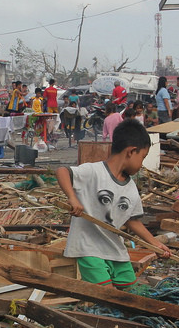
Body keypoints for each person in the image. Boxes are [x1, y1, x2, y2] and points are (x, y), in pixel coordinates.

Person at [56, 119, 170, 289]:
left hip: (115, 250)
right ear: (131, 151)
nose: (142, 164)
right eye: (143, 157)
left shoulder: (131, 188)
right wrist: (72, 197)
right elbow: (62, 171)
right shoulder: (94, 172)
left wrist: (154, 242)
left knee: (133, 294)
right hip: (89, 249)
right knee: (107, 297)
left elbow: (133, 221)